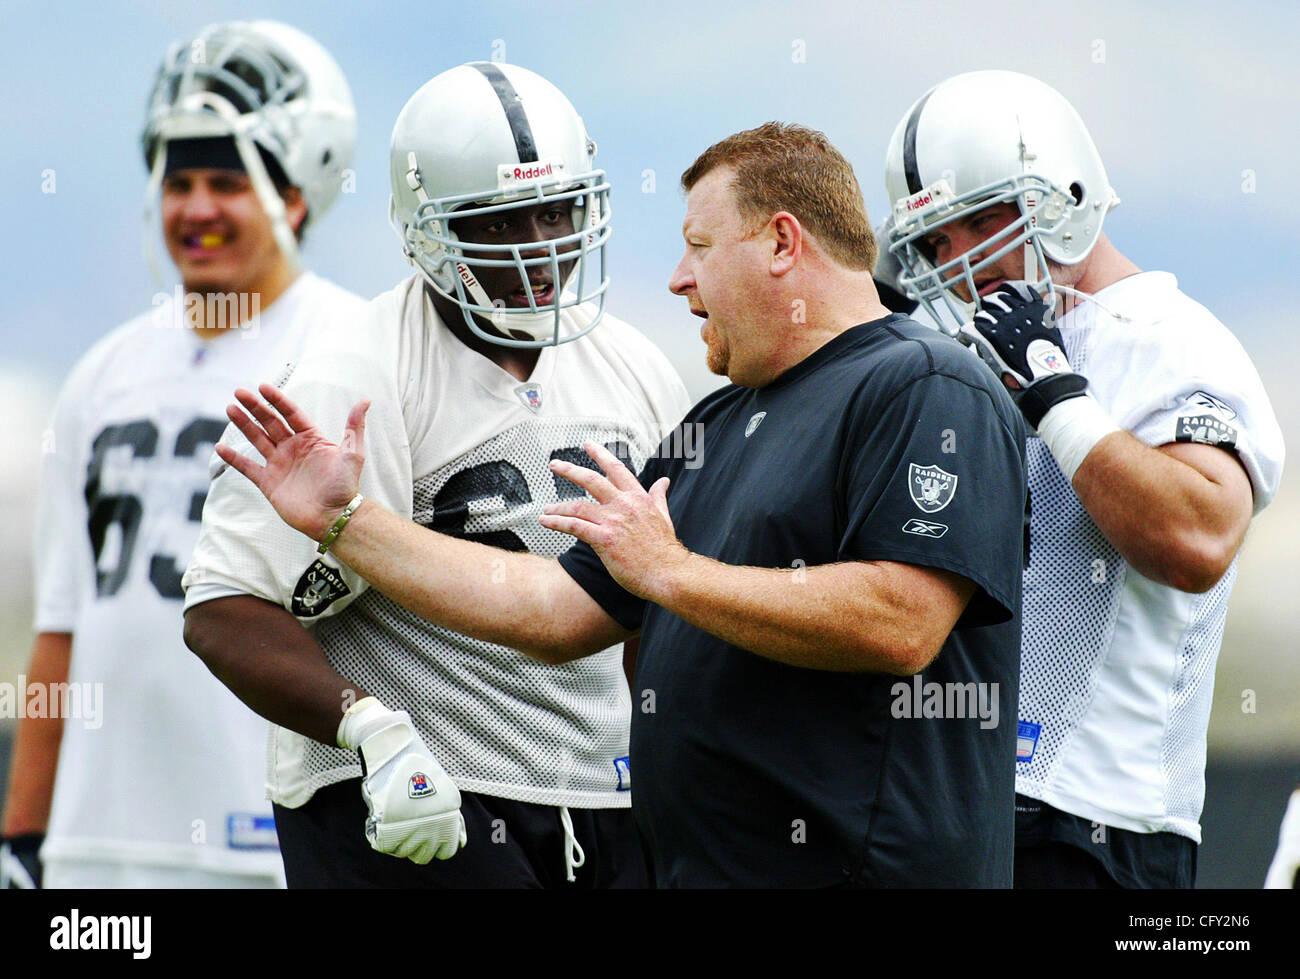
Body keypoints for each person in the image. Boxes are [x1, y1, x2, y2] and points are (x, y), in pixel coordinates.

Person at [195, 122, 1029, 888]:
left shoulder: (923, 382)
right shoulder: (720, 418)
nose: (677, 278)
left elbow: (900, 619)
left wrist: (673, 573)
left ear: (782, 243)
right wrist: (347, 521)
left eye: (698, 246)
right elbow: (558, 610)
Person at [182, 62, 692, 888]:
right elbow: (221, 606)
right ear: (428, 228)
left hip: (599, 792)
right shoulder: (356, 368)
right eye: (502, 222)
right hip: (416, 794)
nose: (541, 245)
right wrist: (369, 728)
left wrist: (667, 760)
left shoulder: (633, 365)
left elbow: (649, 610)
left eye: (556, 211)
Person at [881, 69, 1285, 888]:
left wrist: (1058, 398)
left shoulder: (1167, 337)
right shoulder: (976, 357)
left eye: (983, 220)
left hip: (1098, 826)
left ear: (1061, 191)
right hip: (967, 804)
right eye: (936, 244)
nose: (965, 263)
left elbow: (1198, 536)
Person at [0, 20, 362, 888]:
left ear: (298, 195)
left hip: (273, 837)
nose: (196, 209)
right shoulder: (104, 372)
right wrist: (24, 833)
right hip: (100, 844)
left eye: (228, 182)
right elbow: (63, 627)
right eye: (180, 180)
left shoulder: (350, 349)